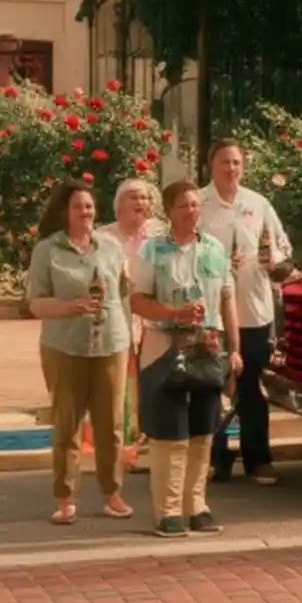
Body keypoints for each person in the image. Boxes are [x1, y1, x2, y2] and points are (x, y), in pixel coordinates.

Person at [130, 180, 242, 538]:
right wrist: (173, 312)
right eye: (183, 205)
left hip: (207, 347)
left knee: (202, 430)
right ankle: (168, 510)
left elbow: (227, 301)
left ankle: (197, 506)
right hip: (164, 346)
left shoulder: (214, 249)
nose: (192, 211)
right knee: (169, 433)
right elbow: (137, 300)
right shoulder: (152, 250)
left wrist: (234, 349)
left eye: (195, 204)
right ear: (169, 210)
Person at [25, 180, 134, 525]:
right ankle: (64, 497)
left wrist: (130, 336)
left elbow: (123, 292)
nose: (85, 212)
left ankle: (112, 493)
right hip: (64, 347)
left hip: (111, 345)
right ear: (65, 212)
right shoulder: (48, 250)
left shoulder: (111, 247)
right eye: (77, 207)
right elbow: (35, 304)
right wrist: (70, 306)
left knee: (111, 426)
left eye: (89, 206)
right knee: (67, 425)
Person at [197, 138, 293, 485]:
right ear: (212, 165)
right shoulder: (200, 204)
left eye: (237, 162)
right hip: (212, 312)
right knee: (212, 386)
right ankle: (215, 459)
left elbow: (282, 248)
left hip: (254, 310)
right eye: (225, 162)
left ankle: (258, 460)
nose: (231, 169)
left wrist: (273, 261)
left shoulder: (258, 203)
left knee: (252, 386)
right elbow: (182, 248)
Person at [97, 178, 164, 474]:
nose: (141, 203)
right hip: (118, 320)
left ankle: (152, 444)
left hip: (155, 318)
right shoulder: (103, 238)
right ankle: (124, 451)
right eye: (134, 198)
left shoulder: (162, 235)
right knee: (122, 387)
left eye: (145, 198)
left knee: (155, 381)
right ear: (118, 204)